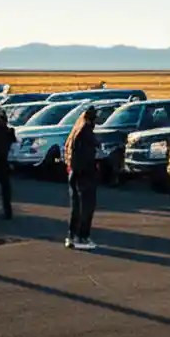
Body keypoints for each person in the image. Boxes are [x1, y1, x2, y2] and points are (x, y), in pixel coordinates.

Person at [63, 107, 100, 250]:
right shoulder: (85, 131)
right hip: (84, 173)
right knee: (86, 206)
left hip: (75, 172)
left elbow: (68, 149)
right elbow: (87, 153)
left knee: (76, 206)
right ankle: (81, 237)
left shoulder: (76, 129)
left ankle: (72, 236)